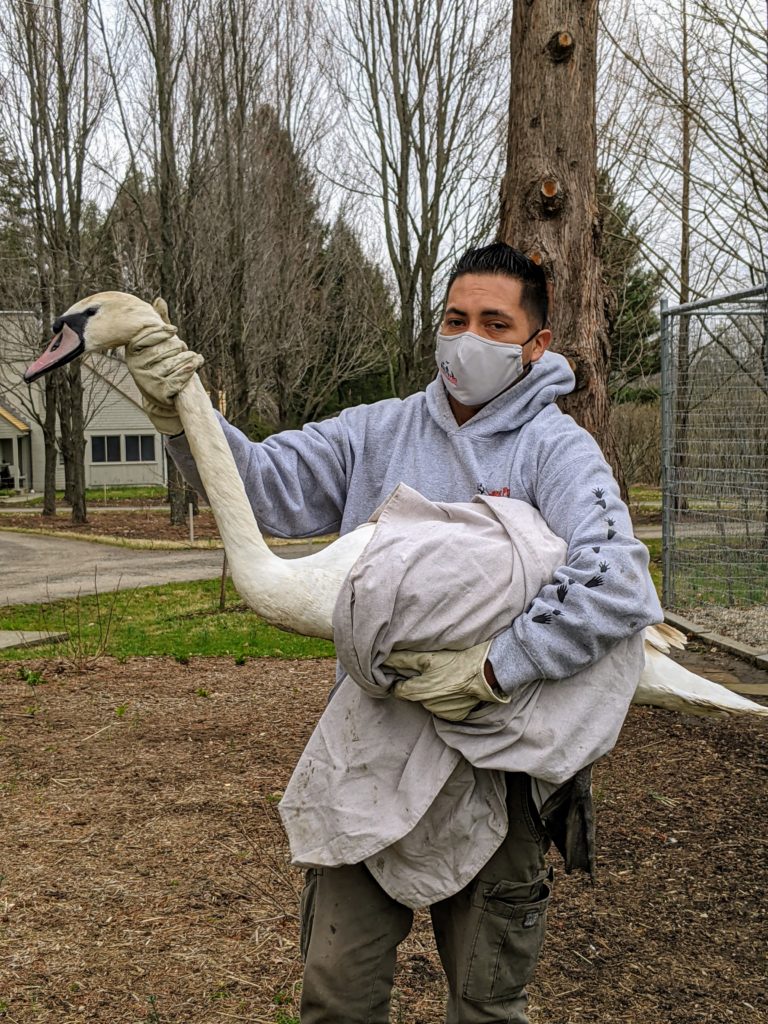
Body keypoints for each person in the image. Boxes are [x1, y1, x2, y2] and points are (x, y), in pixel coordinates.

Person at [126, 242, 661, 1023]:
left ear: (535, 344)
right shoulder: (377, 433)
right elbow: (263, 487)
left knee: (485, 1009)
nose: (466, 338)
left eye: (492, 323)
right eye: (454, 319)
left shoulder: (556, 452)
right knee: (336, 1000)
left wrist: (495, 668)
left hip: (498, 773)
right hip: (368, 763)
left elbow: (617, 579)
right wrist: (180, 413)